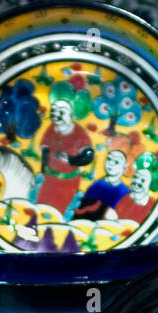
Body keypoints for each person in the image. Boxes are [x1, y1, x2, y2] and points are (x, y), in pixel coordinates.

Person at [36, 82, 93, 218]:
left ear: (71, 113)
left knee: (59, 211)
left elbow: (88, 155)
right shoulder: (51, 129)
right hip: (49, 179)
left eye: (61, 112)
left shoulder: (79, 133)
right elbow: (45, 149)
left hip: (68, 182)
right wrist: (44, 168)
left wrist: (70, 159)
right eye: (54, 111)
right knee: (41, 207)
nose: (56, 116)